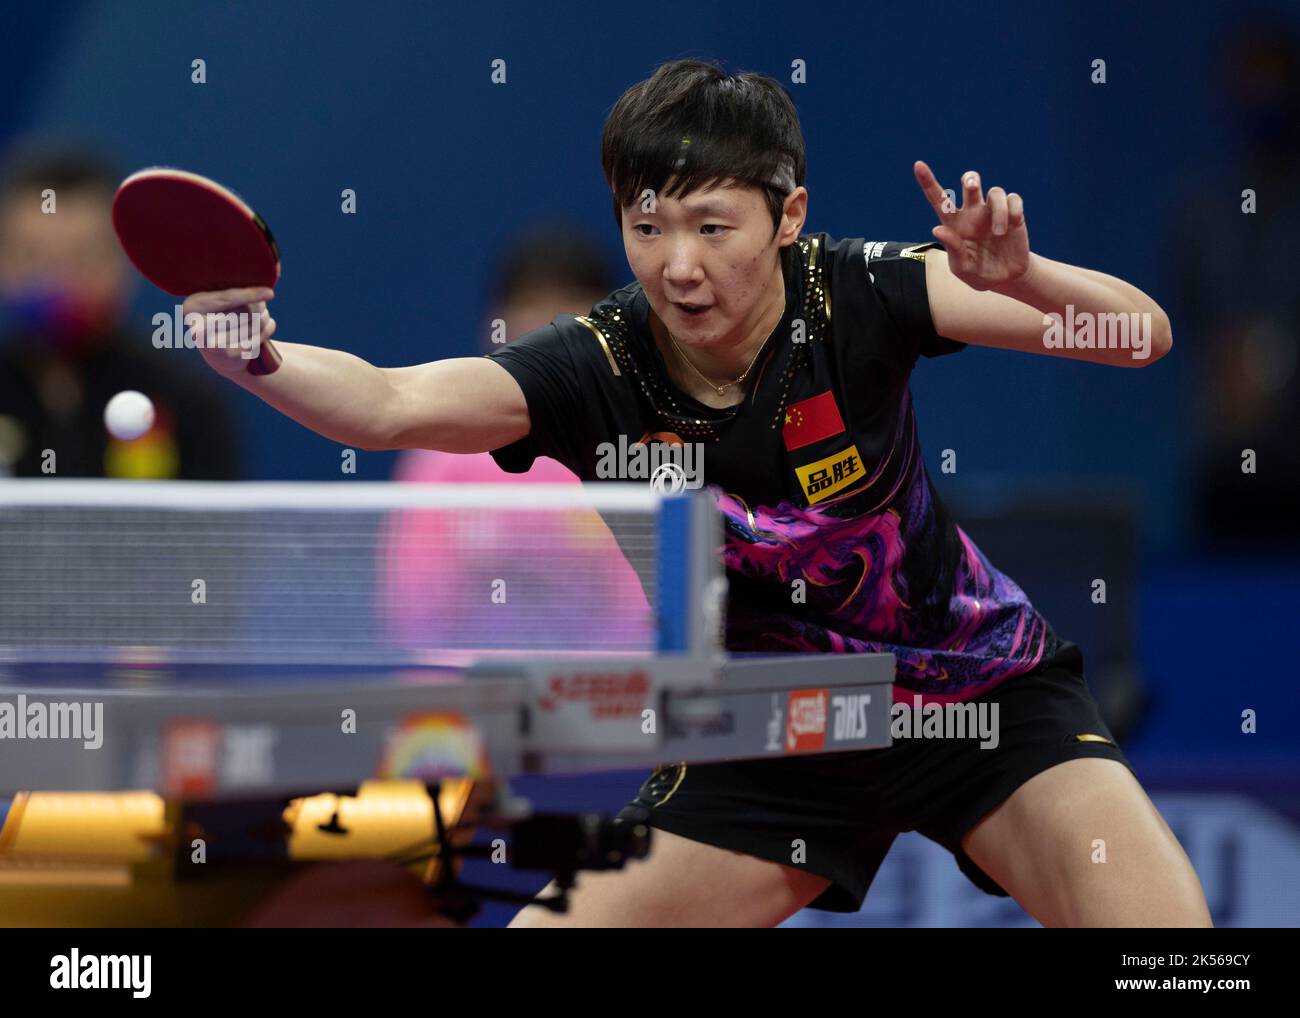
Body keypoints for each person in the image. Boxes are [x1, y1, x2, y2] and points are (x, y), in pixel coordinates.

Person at [184, 59, 1210, 927]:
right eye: (647, 225)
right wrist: (257, 357)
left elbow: (1139, 336)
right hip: (776, 734)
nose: (678, 267)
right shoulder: (592, 365)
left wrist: (1025, 278)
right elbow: (388, 406)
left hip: (977, 698)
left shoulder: (860, 291)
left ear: (788, 213)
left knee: (1172, 952)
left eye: (713, 226)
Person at [0, 145, 240, 479]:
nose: (57, 283)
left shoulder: (186, 400)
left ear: (124, 262)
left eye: (83, 258)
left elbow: (213, 529)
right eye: (32, 258)